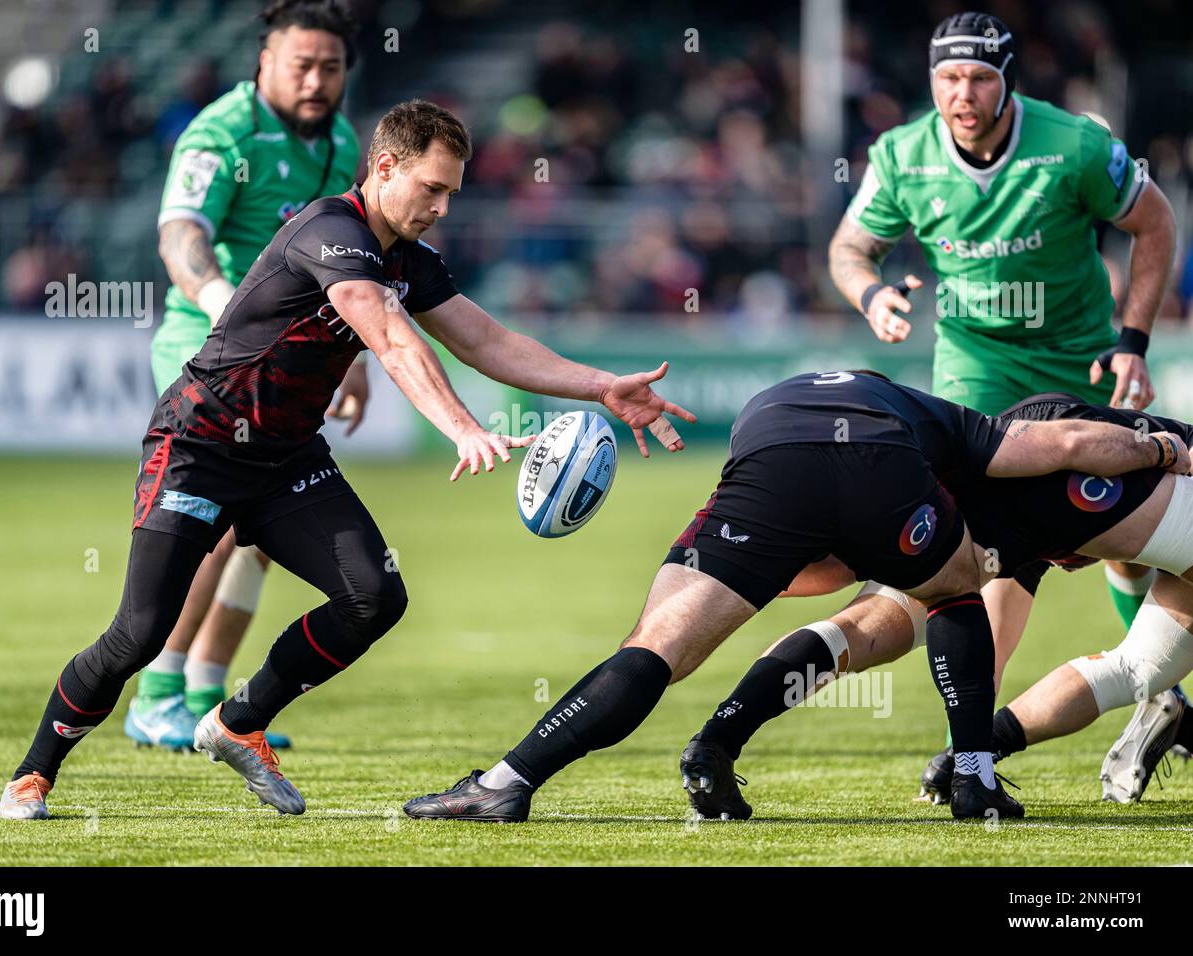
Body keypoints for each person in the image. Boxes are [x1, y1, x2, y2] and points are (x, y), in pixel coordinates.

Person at [0, 99, 694, 820]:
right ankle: (33, 773)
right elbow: (389, 337)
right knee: (138, 633)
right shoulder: (330, 230)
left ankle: (239, 722)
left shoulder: (409, 262)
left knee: (374, 596)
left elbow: (488, 342)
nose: (443, 206)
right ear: (384, 167)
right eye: (432, 187)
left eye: (453, 192)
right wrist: (460, 425)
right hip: (199, 445)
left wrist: (601, 386)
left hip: (286, 459)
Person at [402, 371, 1186, 822]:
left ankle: (512, 783)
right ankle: (975, 772)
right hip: (896, 464)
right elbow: (1071, 442)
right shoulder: (969, 434)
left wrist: (737, 579)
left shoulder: (877, 414)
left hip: (770, 456)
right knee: (957, 598)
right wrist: (1160, 447)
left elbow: (811, 575)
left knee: (657, 646)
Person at [826, 10, 1178, 761]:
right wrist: (869, 293)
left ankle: (1162, 692)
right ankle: (973, 740)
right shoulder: (901, 154)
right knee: (991, 547)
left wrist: (1134, 343)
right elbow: (852, 246)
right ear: (931, 81)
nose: (963, 92)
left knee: (1126, 544)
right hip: (974, 370)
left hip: (1081, 361)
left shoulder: (1076, 145)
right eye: (949, 77)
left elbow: (1157, 224)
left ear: (1007, 80)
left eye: (981, 76)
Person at [677, 391, 1193, 819]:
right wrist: (1161, 454)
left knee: (869, 625)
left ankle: (717, 740)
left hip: (1023, 442)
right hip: (1094, 461)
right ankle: (973, 765)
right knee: (1137, 665)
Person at [131, 0, 365, 752]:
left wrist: (352, 358)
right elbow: (181, 233)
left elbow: (348, 263)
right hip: (204, 353)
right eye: (301, 64)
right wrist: (219, 305)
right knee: (220, 521)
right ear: (264, 61)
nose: (316, 80)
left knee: (263, 533)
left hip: (287, 364)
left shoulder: (341, 142)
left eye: (330, 67)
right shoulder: (221, 133)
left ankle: (204, 685)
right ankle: (156, 691)